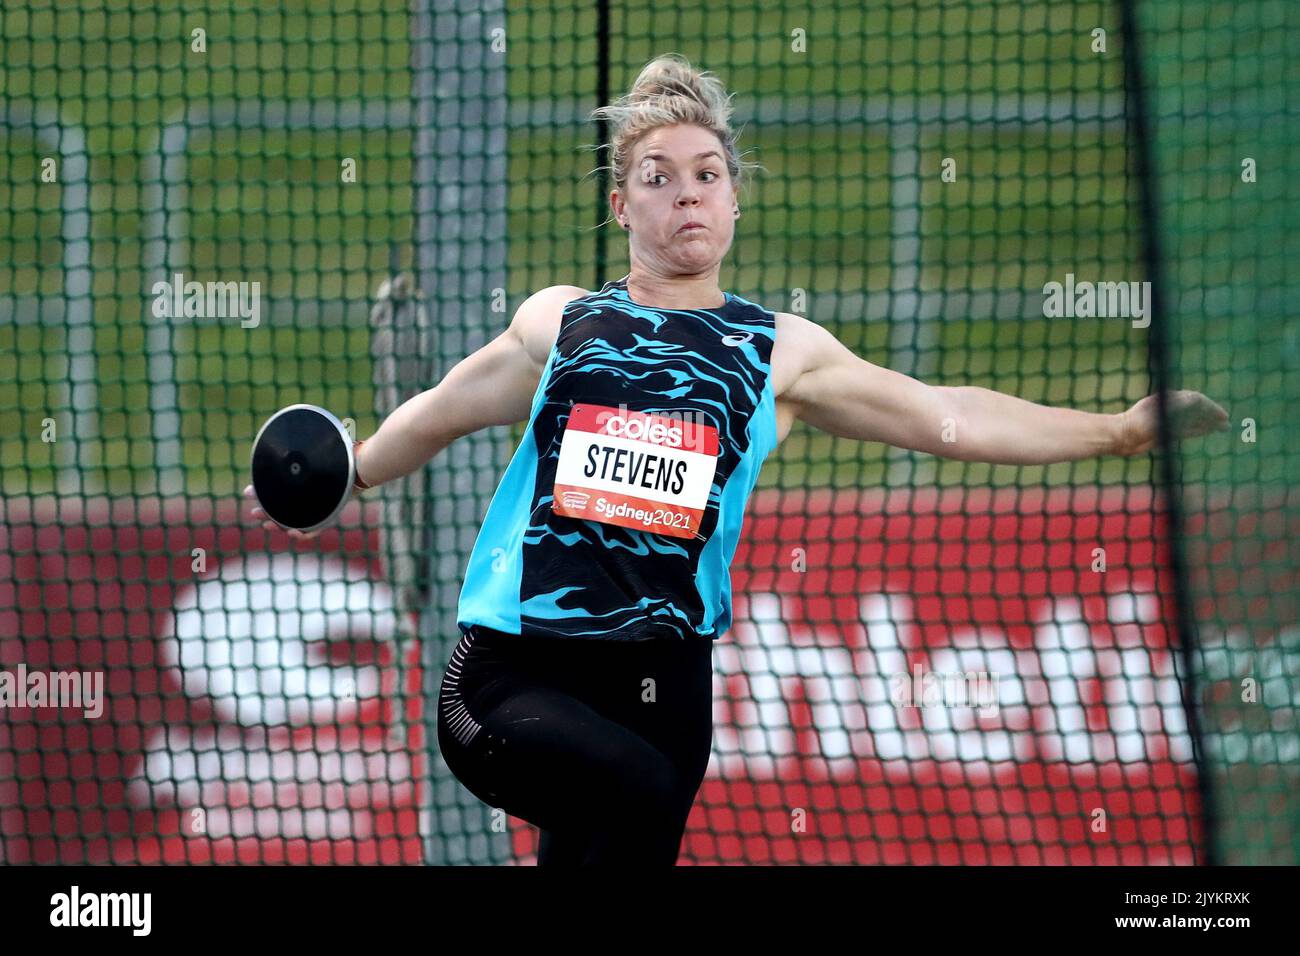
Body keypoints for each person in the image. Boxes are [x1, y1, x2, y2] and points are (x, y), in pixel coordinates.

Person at [245, 53, 1228, 865]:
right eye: (658, 176)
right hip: (508, 678)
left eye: (705, 173)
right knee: (627, 785)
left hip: (666, 686)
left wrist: (1116, 430)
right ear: (621, 204)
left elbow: (950, 420)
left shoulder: (780, 353)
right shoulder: (563, 322)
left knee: (623, 818)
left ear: (734, 199)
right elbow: (438, 414)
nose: (685, 193)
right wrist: (344, 470)